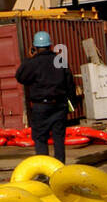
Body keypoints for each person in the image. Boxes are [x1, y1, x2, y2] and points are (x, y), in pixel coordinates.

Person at [15, 30, 74, 163]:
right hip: (59, 105)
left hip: (41, 107)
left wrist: (30, 58)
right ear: (50, 45)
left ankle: (45, 170)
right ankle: (59, 169)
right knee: (59, 138)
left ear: (34, 47)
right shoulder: (59, 60)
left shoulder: (33, 63)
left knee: (40, 138)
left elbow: (20, 77)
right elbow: (69, 82)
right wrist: (70, 104)